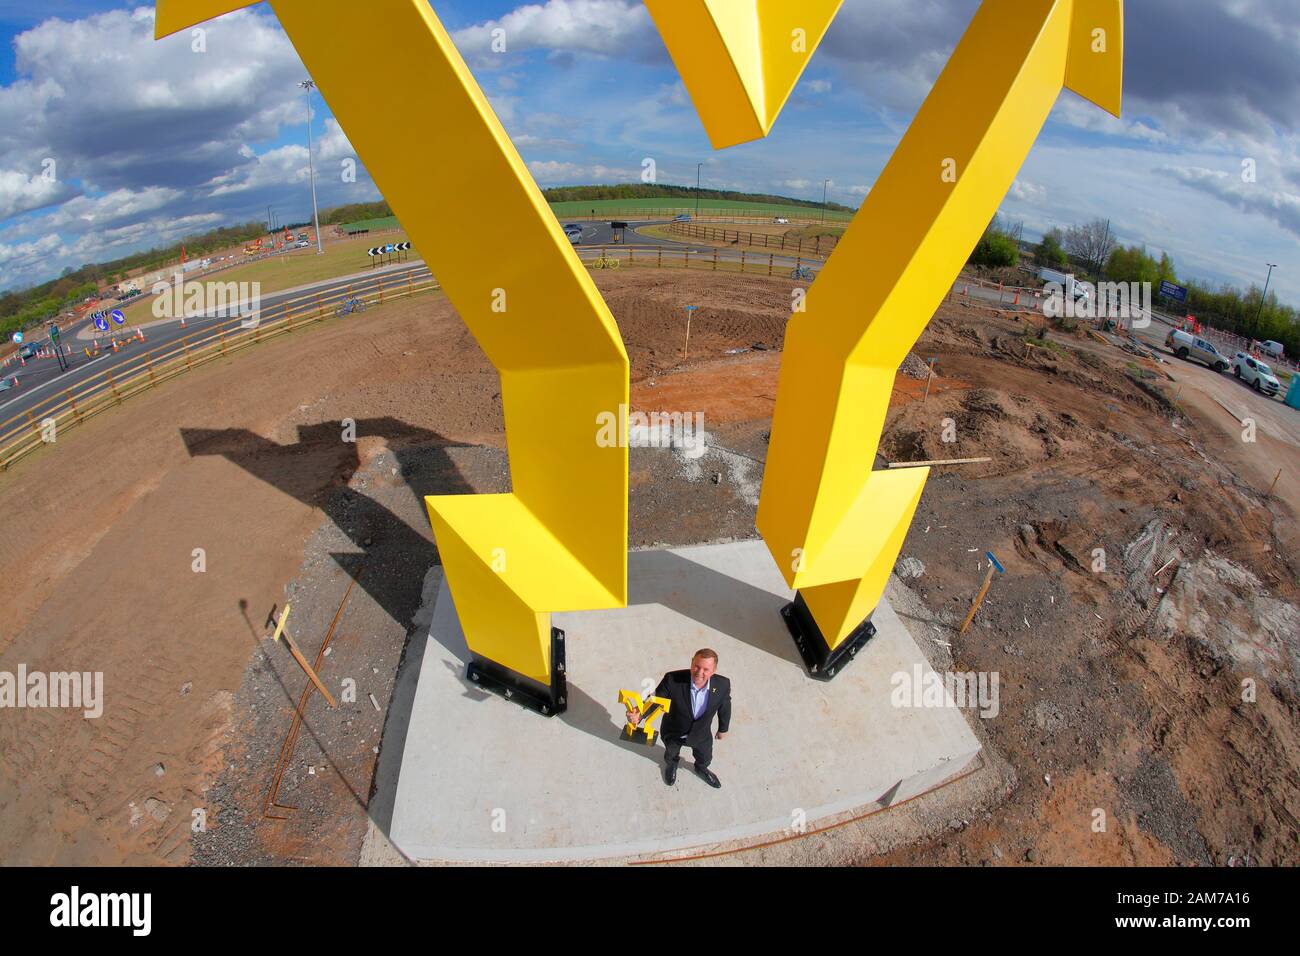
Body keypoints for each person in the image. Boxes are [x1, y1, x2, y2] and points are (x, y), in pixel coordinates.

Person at [626, 649, 731, 789]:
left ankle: (701, 768)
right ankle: (672, 764)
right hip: (674, 731)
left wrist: (723, 728)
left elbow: (725, 706)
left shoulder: (723, 685)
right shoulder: (672, 679)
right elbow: (656, 699)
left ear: (714, 670)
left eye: (706, 669)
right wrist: (639, 714)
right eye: (696, 666)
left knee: (705, 756)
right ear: (692, 661)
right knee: (670, 753)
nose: (699, 672)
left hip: (701, 734)